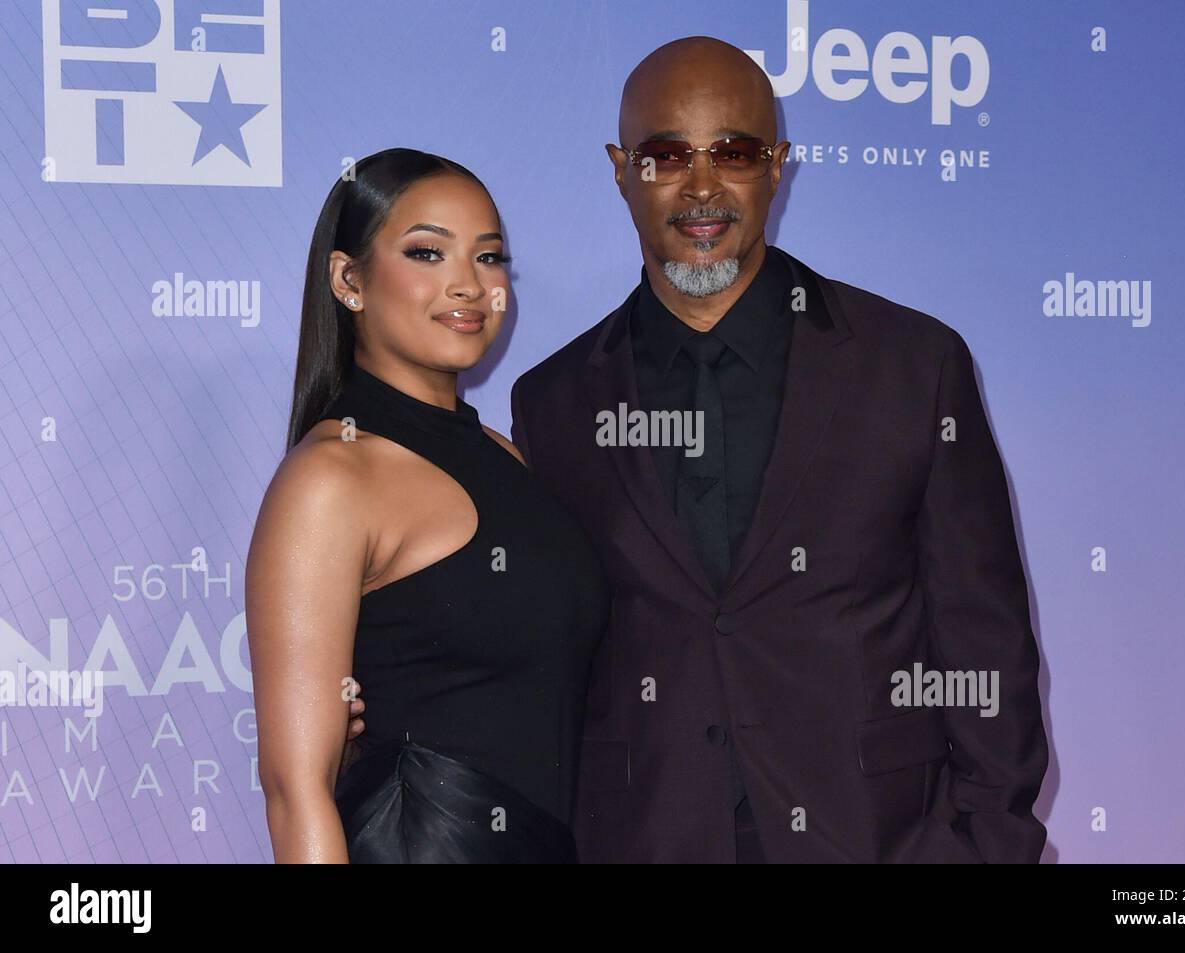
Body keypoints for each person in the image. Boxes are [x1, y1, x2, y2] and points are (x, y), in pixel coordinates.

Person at [353, 35, 1050, 864]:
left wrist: (985, 847)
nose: (703, 185)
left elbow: (987, 646)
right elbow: (539, 640)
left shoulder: (913, 366)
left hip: (880, 841)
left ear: (778, 165)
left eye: (736, 151)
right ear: (621, 170)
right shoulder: (555, 402)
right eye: (667, 155)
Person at [246, 148, 609, 863]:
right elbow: (296, 789)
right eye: (427, 252)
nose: (468, 285)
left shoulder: (508, 456)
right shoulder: (329, 479)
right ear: (349, 279)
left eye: (489, 257)